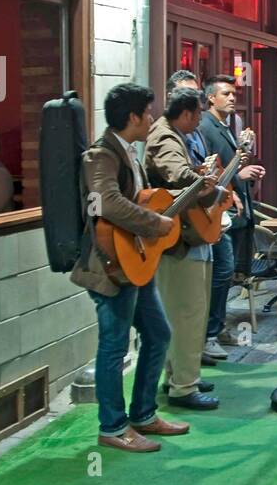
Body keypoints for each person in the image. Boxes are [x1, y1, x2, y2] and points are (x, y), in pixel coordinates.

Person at [69, 82, 187, 452]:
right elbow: (105, 202)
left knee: (158, 334)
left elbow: (137, 199)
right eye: (148, 113)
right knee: (114, 346)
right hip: (109, 267)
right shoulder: (100, 155)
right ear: (133, 117)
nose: (152, 118)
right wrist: (155, 225)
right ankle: (113, 426)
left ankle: (143, 414)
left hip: (135, 262)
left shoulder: (129, 153)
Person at [146, 80, 225, 411]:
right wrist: (203, 180)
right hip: (179, 238)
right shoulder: (165, 136)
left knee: (185, 312)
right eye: (196, 116)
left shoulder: (178, 134)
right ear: (186, 113)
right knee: (188, 313)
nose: (199, 123)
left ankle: (181, 375)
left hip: (188, 234)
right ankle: (183, 386)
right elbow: (176, 174)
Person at [199, 74, 266, 361]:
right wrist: (238, 174)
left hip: (235, 209)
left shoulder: (227, 126)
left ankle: (218, 327)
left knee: (228, 274)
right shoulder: (205, 127)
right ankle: (208, 334)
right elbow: (209, 173)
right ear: (210, 98)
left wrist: (246, 160)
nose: (231, 98)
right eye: (225, 93)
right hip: (216, 211)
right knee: (220, 272)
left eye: (233, 93)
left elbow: (232, 164)